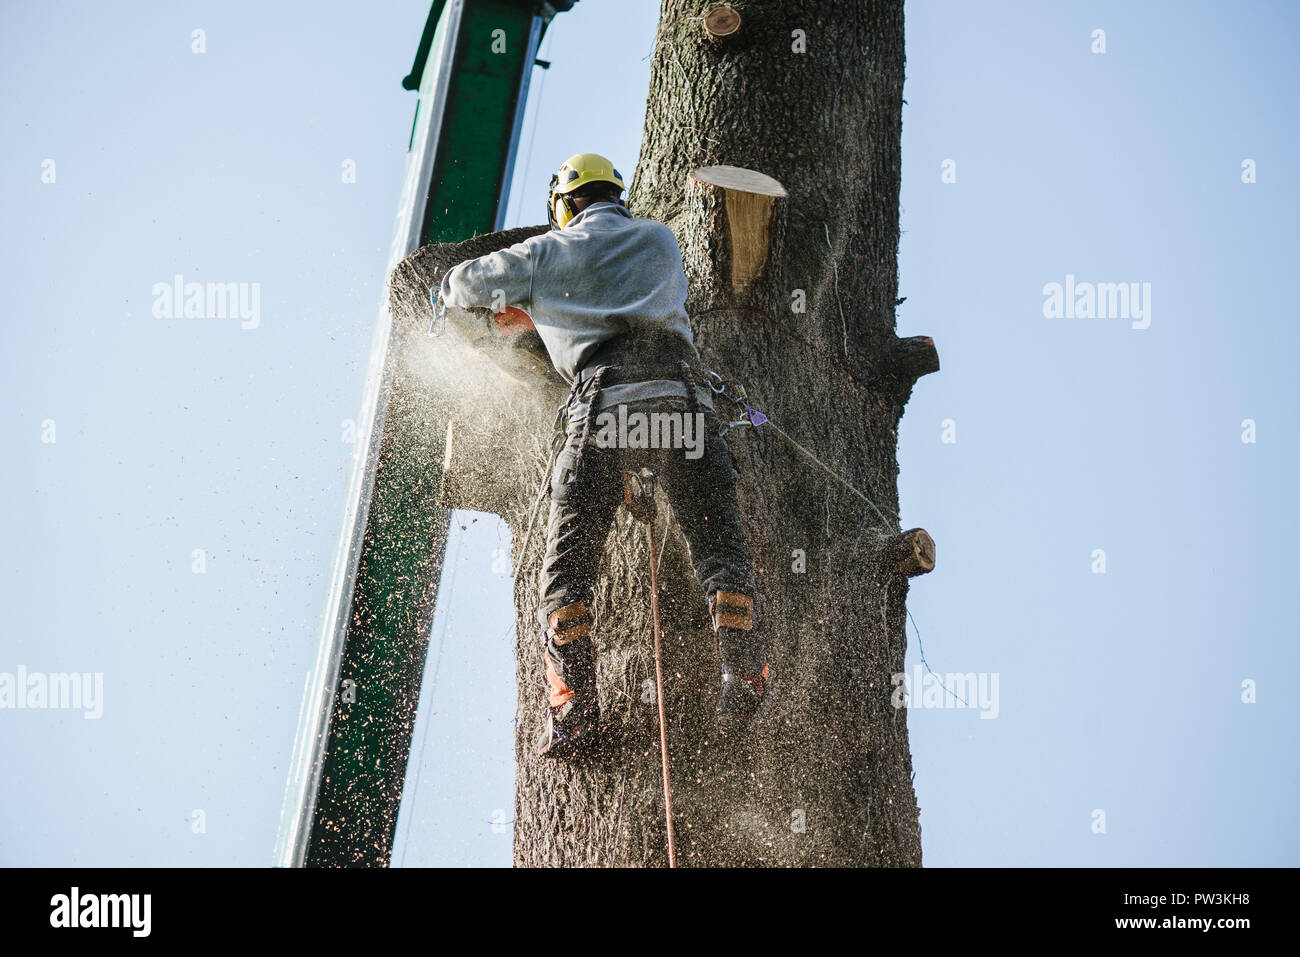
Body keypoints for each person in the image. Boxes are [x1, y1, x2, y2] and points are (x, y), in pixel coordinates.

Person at [438, 152, 767, 758]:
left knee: (567, 567)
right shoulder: (661, 241)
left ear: (564, 205)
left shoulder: (545, 252)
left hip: (602, 413)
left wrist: (522, 309)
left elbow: (458, 287)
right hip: (681, 406)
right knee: (720, 544)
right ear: (616, 196)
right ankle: (743, 670)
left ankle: (577, 711)